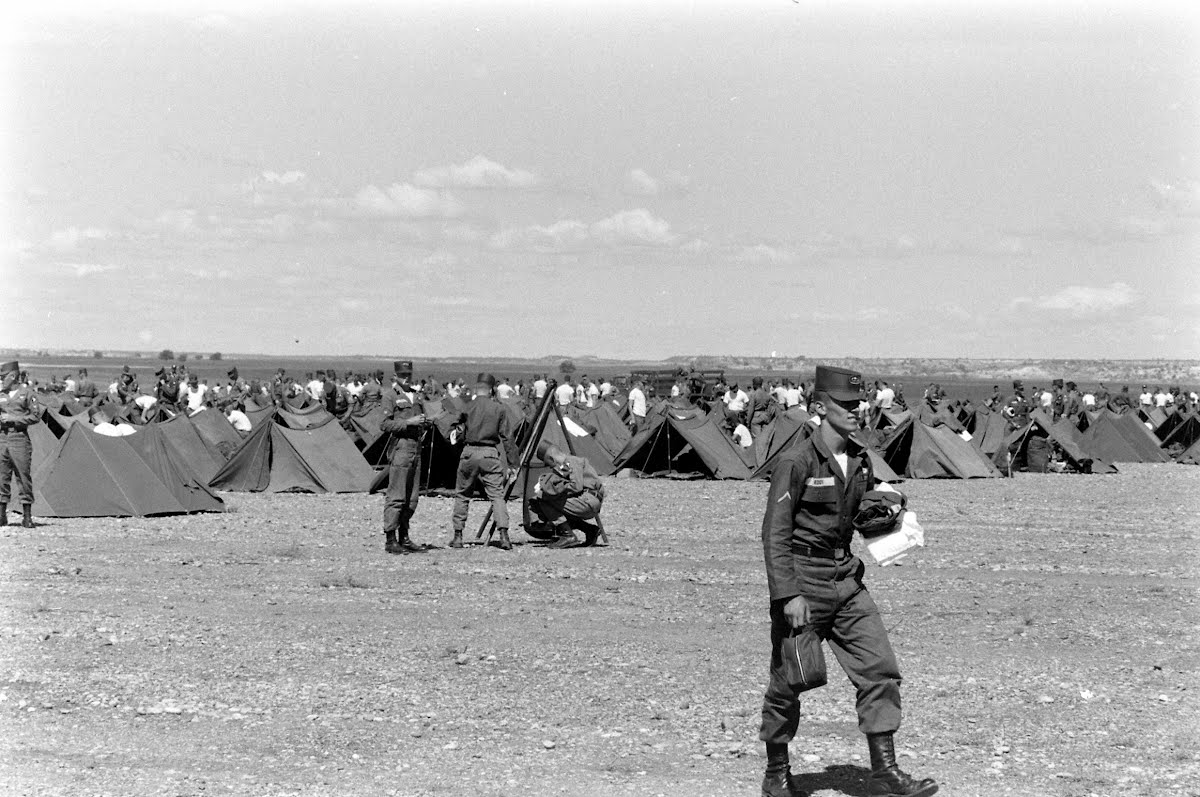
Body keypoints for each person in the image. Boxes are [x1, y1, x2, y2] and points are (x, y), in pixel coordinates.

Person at [758, 365, 937, 797]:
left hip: (846, 579)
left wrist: (890, 516)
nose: (858, 411)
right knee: (791, 679)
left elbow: (860, 515)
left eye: (860, 404)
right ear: (820, 407)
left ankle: (884, 774)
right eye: (847, 405)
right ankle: (777, 774)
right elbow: (774, 532)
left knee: (880, 670)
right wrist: (788, 594)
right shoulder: (796, 461)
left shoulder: (858, 458)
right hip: (804, 581)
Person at [449, 374, 519, 550]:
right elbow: (508, 439)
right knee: (497, 495)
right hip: (489, 454)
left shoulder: (467, 407)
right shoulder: (499, 409)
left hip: (469, 452)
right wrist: (513, 464)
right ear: (492, 389)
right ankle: (504, 535)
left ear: (476, 389)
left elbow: (455, 431)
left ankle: (458, 536)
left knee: (463, 495)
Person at [379, 361, 427, 554]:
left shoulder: (416, 396)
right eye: (402, 375)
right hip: (401, 447)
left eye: (409, 374)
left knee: (412, 497)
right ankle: (390, 539)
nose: (406, 378)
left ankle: (404, 536)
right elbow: (384, 424)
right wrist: (408, 422)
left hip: (416, 447)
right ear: (396, 376)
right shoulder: (390, 396)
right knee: (397, 495)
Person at [529, 441, 605, 549]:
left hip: (588, 500)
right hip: (587, 500)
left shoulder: (571, 462)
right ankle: (590, 530)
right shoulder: (565, 465)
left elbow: (576, 486)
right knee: (553, 505)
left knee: (543, 500)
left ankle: (568, 535)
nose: (550, 467)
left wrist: (552, 491)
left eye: (549, 463)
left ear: (552, 459)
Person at [0, 361, 39, 528]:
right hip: (2, 439)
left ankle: (27, 516)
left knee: (23, 476)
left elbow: (35, 416)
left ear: (13, 376)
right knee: (1, 477)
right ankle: (2, 516)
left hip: (19, 438)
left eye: (3, 377)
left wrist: (14, 419)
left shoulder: (28, 394)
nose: (1, 381)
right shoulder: (1, 394)